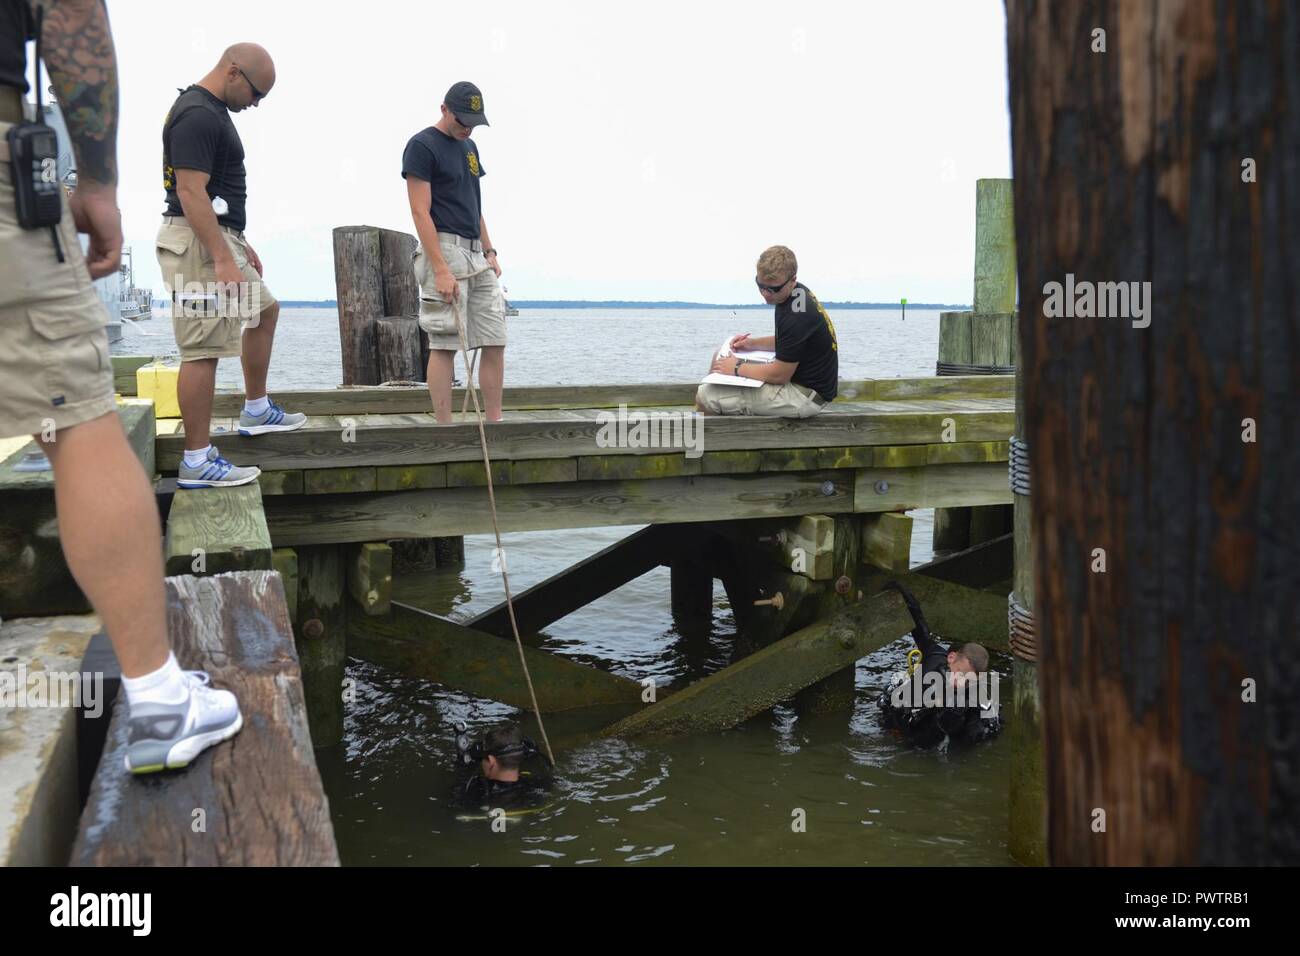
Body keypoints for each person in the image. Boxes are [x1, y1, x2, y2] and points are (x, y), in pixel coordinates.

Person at [1, 0, 239, 773]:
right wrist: (97, 181)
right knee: (77, 417)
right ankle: (162, 701)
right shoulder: (198, 116)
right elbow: (68, 17)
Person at [156, 41, 305, 489]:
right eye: (257, 94)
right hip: (198, 244)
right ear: (234, 72)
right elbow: (189, 192)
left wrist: (239, 242)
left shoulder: (213, 111)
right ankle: (197, 461)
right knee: (202, 350)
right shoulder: (197, 113)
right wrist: (221, 255)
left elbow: (213, 190)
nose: (256, 105)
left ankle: (257, 410)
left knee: (264, 309)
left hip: (221, 238)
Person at [402, 81, 507, 424]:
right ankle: (444, 427)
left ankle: (494, 422)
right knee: (445, 341)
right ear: (444, 109)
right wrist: (440, 268)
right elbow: (420, 211)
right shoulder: (421, 145)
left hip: (477, 255)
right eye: (462, 120)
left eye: (474, 122)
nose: (468, 128)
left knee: (495, 339)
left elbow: (474, 205)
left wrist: (490, 250)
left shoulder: (470, 147)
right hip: (444, 248)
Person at [695, 244, 838, 417]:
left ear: (792, 280)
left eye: (773, 289)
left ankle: (721, 441)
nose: (765, 294)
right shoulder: (794, 295)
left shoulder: (796, 315)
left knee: (706, 396)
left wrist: (737, 367)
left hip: (803, 397)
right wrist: (752, 344)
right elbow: (790, 342)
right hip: (799, 382)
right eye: (760, 285)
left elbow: (780, 375)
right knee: (720, 354)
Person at [876, 582, 1001, 748]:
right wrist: (905, 595)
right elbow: (920, 631)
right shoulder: (936, 657)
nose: (960, 682)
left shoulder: (976, 696)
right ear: (951, 658)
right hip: (909, 714)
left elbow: (984, 733)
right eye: (959, 673)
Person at [451, 722, 550, 814]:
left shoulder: (474, 793)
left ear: (491, 761)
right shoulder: (540, 786)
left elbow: (455, 802)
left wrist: (462, 765)